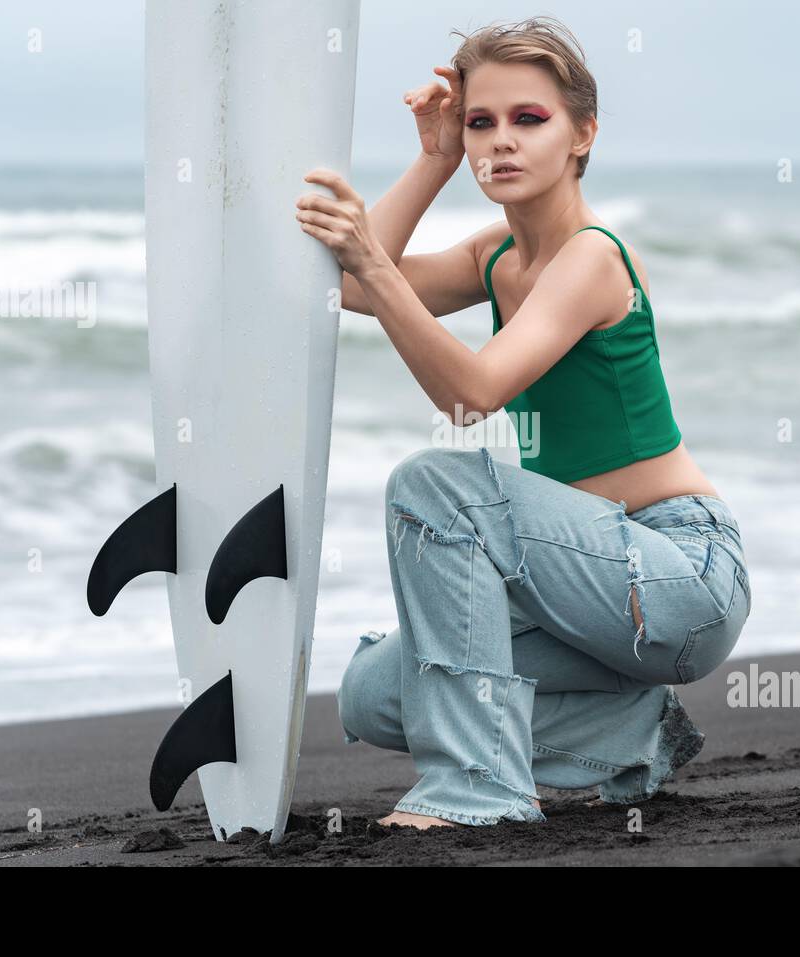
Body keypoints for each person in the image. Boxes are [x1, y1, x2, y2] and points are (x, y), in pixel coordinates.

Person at [295, 16, 751, 829]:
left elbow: (469, 398)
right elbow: (350, 286)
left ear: (582, 134)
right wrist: (432, 163)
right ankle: (631, 731)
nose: (499, 142)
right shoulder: (497, 257)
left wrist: (370, 257)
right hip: (577, 584)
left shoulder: (592, 259)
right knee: (374, 695)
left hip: (678, 576)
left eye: (528, 119)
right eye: (480, 123)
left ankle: (477, 786)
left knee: (435, 483)